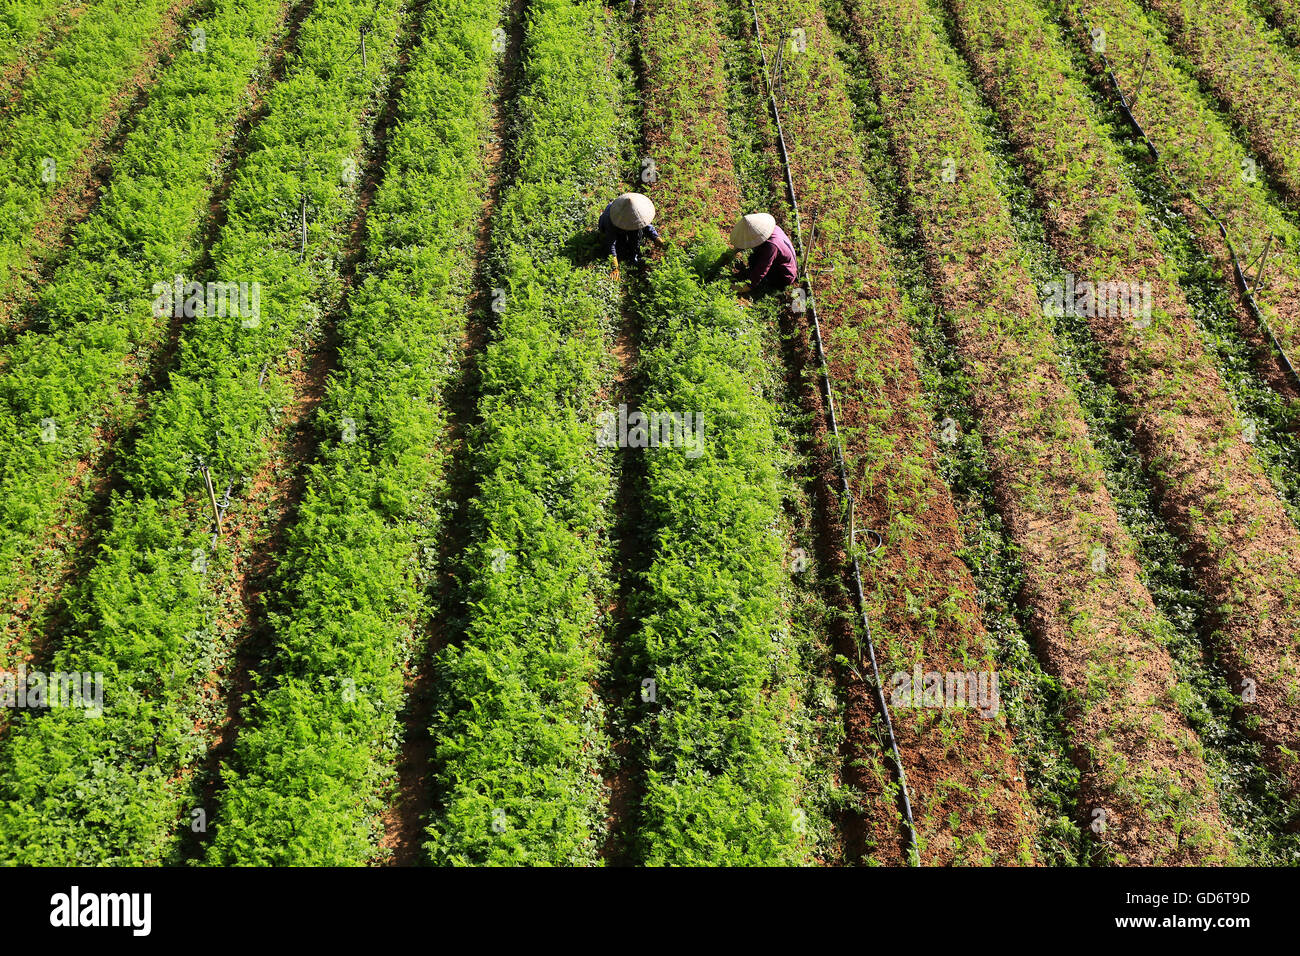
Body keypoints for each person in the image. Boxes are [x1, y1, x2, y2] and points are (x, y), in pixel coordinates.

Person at [730, 212, 798, 296]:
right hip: (779, 260)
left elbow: (762, 268)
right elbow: (749, 239)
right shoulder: (774, 228)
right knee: (753, 258)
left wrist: (745, 287)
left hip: (784, 275)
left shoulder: (771, 246)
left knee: (755, 262)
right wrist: (730, 254)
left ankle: (767, 285)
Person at [599, 192, 663, 277]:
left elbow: (646, 226)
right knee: (620, 246)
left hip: (625, 227)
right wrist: (615, 267)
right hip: (614, 229)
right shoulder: (610, 219)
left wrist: (656, 238)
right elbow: (611, 244)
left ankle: (634, 255)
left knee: (637, 233)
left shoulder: (638, 213)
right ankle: (624, 252)